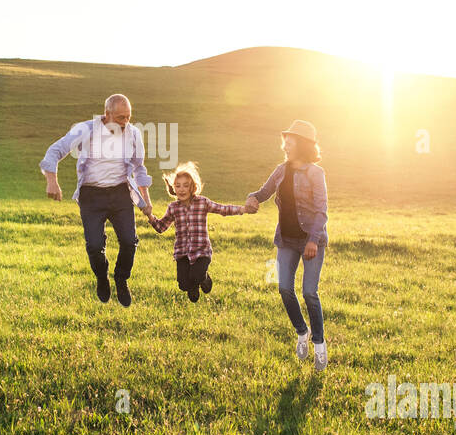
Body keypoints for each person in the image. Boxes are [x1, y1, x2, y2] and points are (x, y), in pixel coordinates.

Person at [39, 94, 154, 306]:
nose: (125, 122)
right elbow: (56, 150)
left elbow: (139, 167)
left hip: (120, 193)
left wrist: (145, 201)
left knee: (129, 242)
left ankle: (121, 279)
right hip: (92, 195)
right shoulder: (86, 129)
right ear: (107, 114)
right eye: (120, 117)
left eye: (128, 117)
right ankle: (102, 277)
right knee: (94, 245)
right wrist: (52, 181)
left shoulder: (133, 133)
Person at [246, 120, 329, 370]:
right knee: (284, 288)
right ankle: (301, 332)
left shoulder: (316, 173)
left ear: (301, 145)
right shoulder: (281, 170)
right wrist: (253, 198)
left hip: (311, 241)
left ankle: (319, 344)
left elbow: (321, 210)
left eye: (290, 142)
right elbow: (264, 192)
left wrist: (313, 240)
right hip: (287, 240)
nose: (285, 146)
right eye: (285, 142)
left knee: (309, 293)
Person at [145, 161, 246, 303]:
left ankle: (203, 279)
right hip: (182, 253)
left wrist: (242, 209)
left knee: (196, 276)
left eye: (186, 185)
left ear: (193, 187)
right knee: (183, 284)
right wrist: (150, 216)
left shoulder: (202, 202)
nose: (181, 189)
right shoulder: (173, 207)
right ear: (173, 188)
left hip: (201, 251)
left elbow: (222, 209)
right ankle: (193, 284)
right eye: (178, 186)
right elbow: (161, 227)